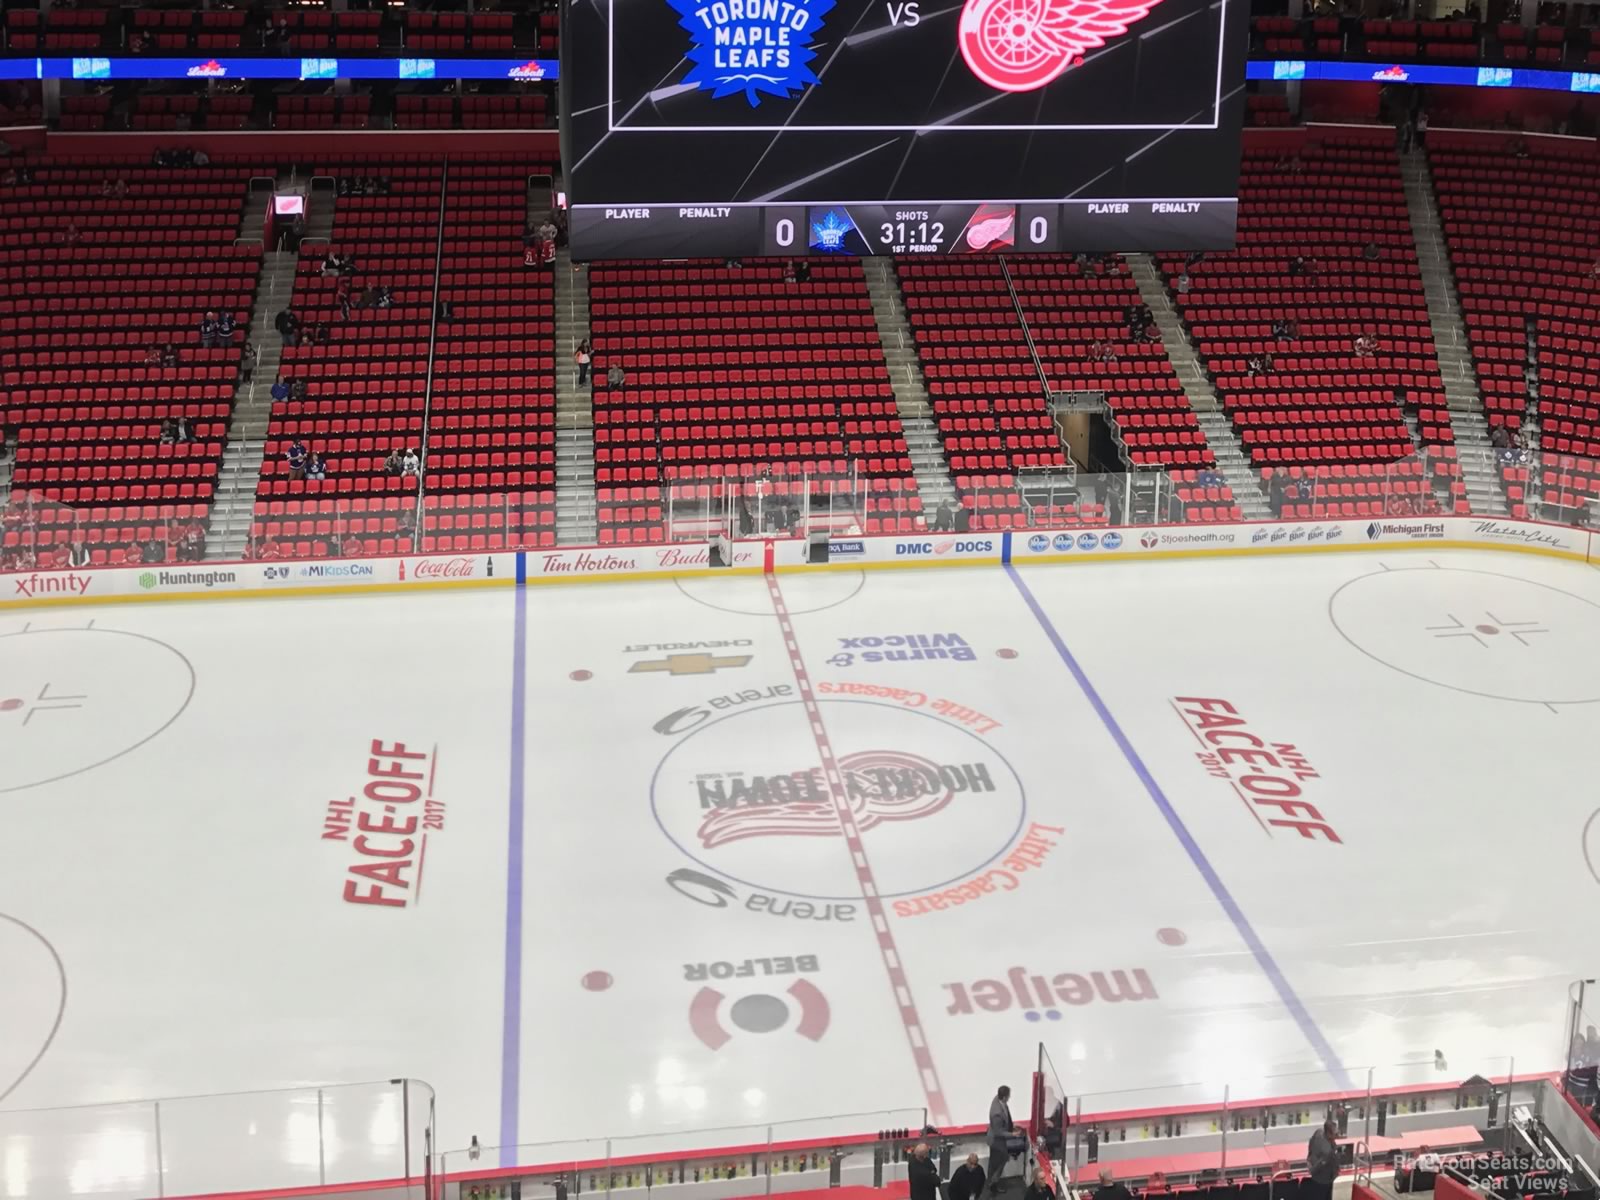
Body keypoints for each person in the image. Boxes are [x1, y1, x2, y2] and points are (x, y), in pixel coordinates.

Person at [986, 1085, 1020, 1193]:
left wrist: (1011, 1125)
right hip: (996, 1141)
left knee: (1000, 1160)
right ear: (1004, 1097)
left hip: (1000, 1140)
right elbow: (998, 1132)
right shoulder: (996, 1113)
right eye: (1008, 1096)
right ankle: (992, 1184)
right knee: (997, 1163)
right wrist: (1013, 1134)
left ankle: (993, 1182)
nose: (1009, 1098)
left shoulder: (999, 1100)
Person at [1306, 1116, 1341, 1200]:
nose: (1338, 1134)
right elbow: (1319, 1165)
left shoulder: (1318, 1132)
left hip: (1321, 1177)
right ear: (1329, 1133)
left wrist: (1309, 1157)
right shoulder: (1327, 1150)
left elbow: (1311, 1141)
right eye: (1335, 1133)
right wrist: (1312, 1170)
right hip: (1323, 1180)